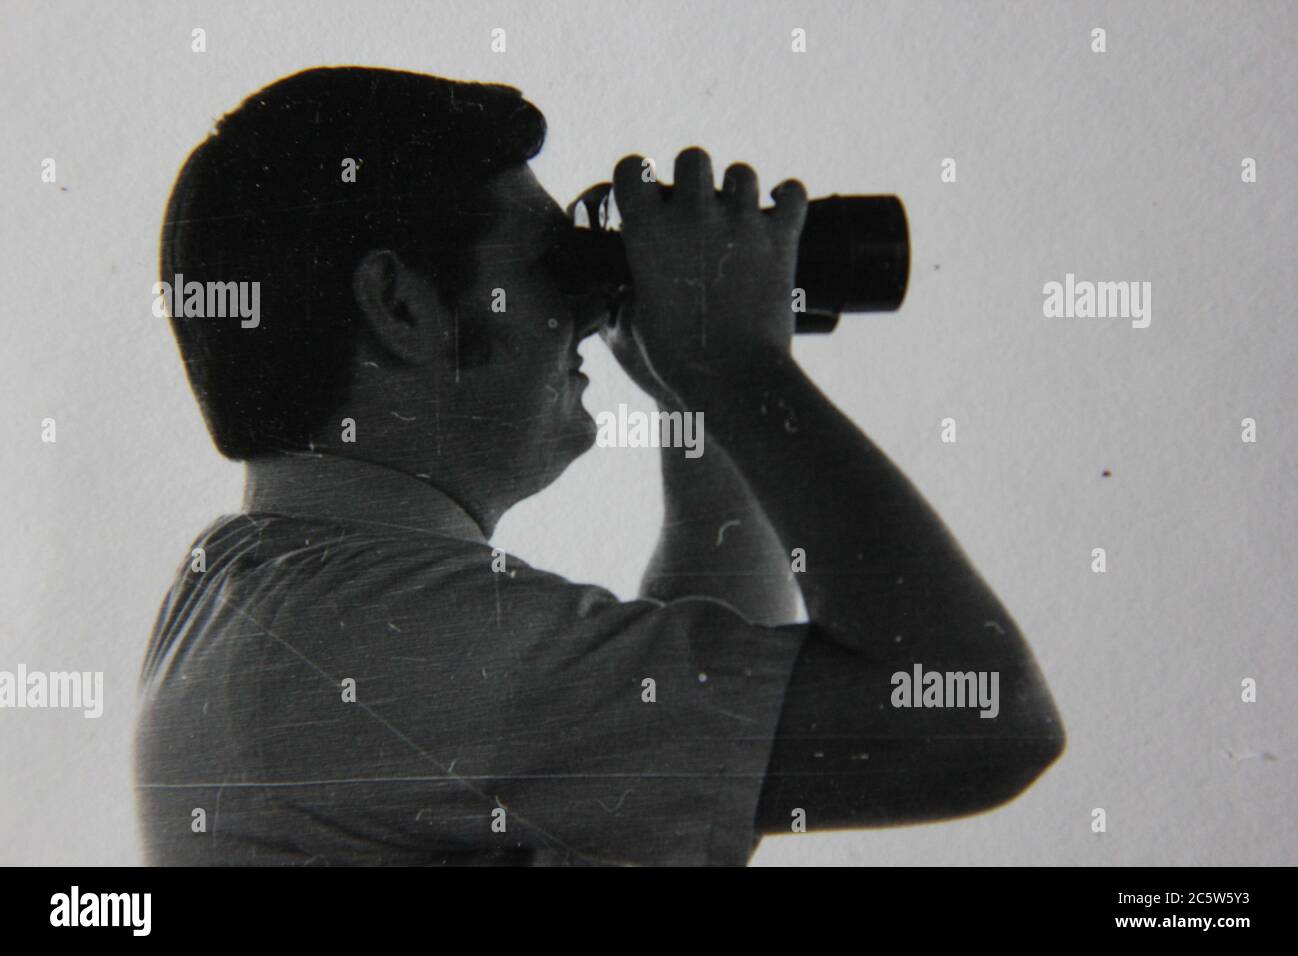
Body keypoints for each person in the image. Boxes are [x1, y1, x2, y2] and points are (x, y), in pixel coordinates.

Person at [136, 66, 1064, 866]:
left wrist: (691, 389)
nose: (587, 308)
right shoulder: (374, 637)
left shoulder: (253, 593)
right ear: (401, 307)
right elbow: (982, 714)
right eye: (553, 262)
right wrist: (740, 368)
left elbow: (702, 723)